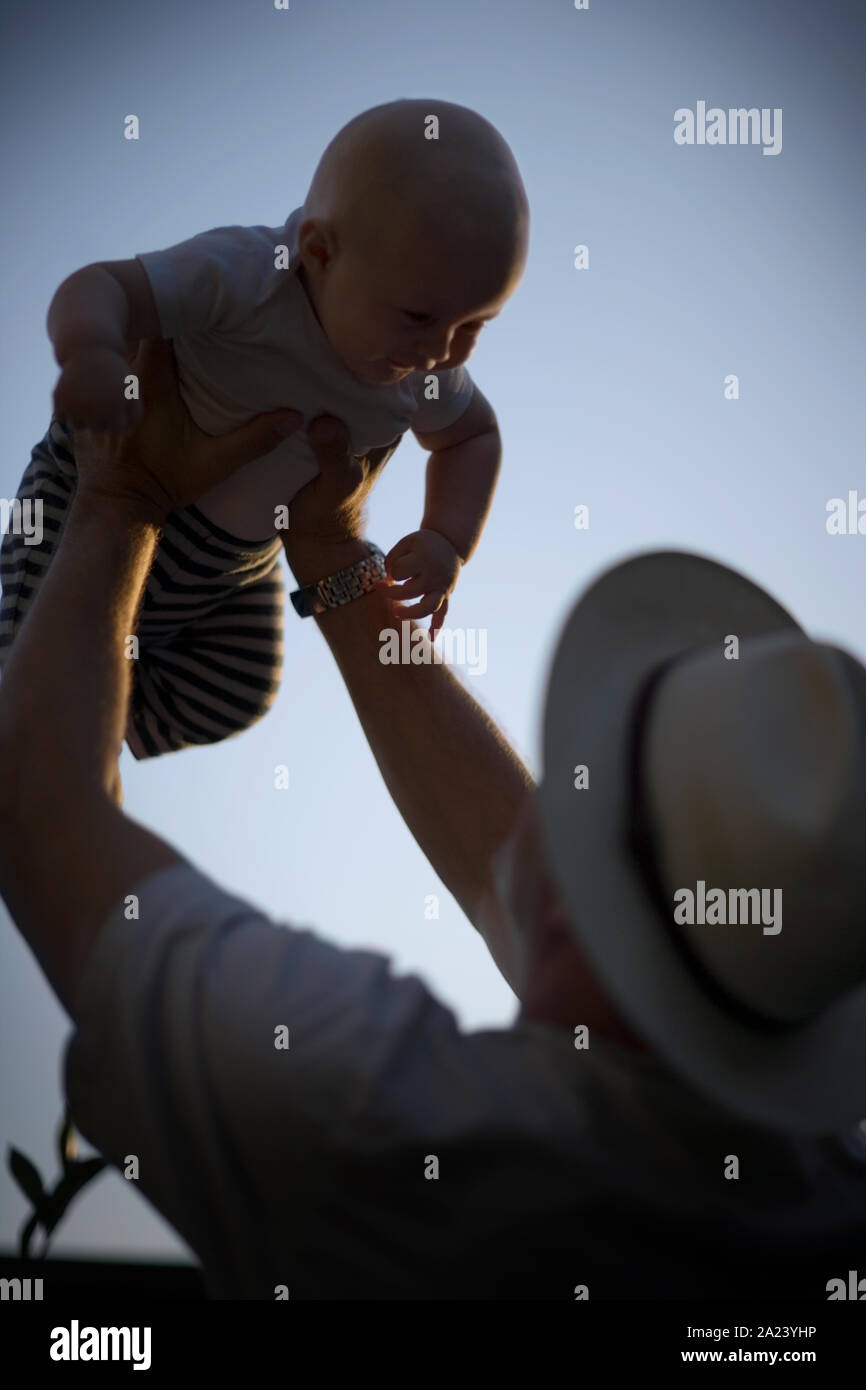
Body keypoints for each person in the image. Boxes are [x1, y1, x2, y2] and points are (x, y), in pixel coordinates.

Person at [2, 338, 866, 1300]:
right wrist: (332, 548)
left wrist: (117, 498)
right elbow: (513, 854)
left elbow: (36, 814)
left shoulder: (377, 1119)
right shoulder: (827, 1188)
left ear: (573, 886)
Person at [0, 98, 528, 759]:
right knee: (31, 683)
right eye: (419, 317)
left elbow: (473, 438)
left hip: (230, 572)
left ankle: (103, 710)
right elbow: (102, 286)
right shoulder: (249, 275)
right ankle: (38, 725)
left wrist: (447, 539)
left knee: (245, 686)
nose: (441, 352)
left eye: (474, 325)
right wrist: (91, 355)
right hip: (91, 489)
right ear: (320, 252)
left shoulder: (424, 373)